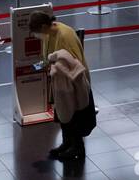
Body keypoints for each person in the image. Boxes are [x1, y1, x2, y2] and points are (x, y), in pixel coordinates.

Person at [28, 11, 93, 161]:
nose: (37, 35)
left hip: (73, 83)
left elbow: (74, 63)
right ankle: (67, 143)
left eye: (37, 31)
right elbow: (49, 56)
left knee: (74, 115)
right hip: (60, 83)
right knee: (63, 114)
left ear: (44, 26)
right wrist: (42, 65)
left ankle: (77, 147)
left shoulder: (65, 35)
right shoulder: (50, 33)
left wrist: (53, 65)